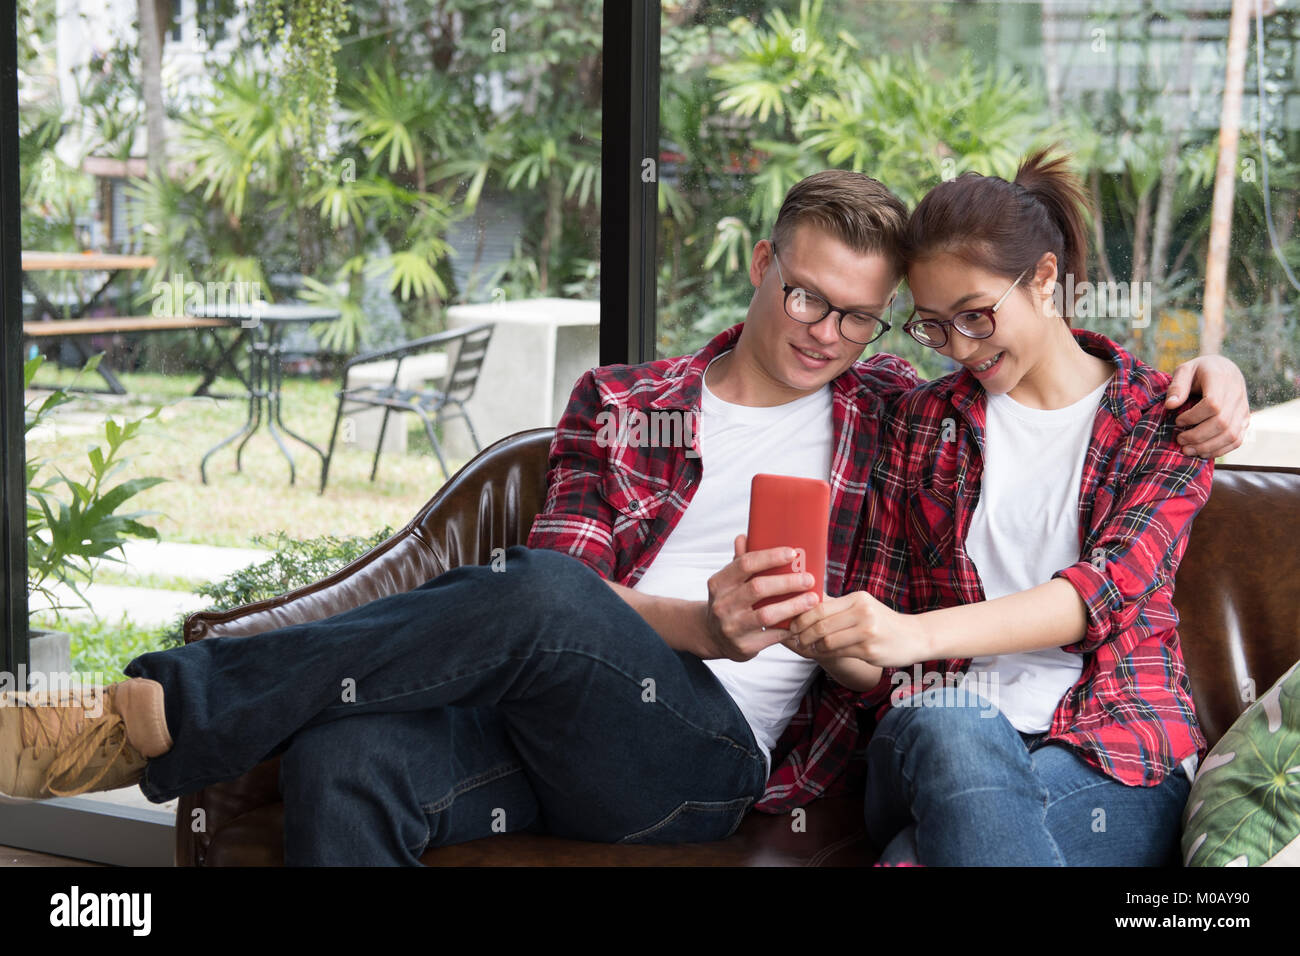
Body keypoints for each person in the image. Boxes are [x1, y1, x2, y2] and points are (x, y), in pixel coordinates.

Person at [0, 168, 1247, 865]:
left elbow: (1044, 374)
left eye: (862, 318)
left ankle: (151, 713)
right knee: (349, 760)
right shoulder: (624, 402)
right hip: (550, 714)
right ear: (761, 266)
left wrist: (1214, 374)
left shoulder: (894, 413)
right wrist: (697, 618)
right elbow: (549, 598)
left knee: (546, 601)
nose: (829, 333)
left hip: (698, 757)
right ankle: (166, 712)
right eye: (808, 297)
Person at [784, 148, 1215, 866]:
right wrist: (839, 647)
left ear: (1044, 279)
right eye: (933, 325)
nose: (958, 347)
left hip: (1113, 747)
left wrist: (910, 635)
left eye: (975, 316)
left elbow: (1104, 590)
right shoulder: (921, 422)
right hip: (934, 738)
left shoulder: (1160, 421)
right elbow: (882, 662)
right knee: (957, 722)